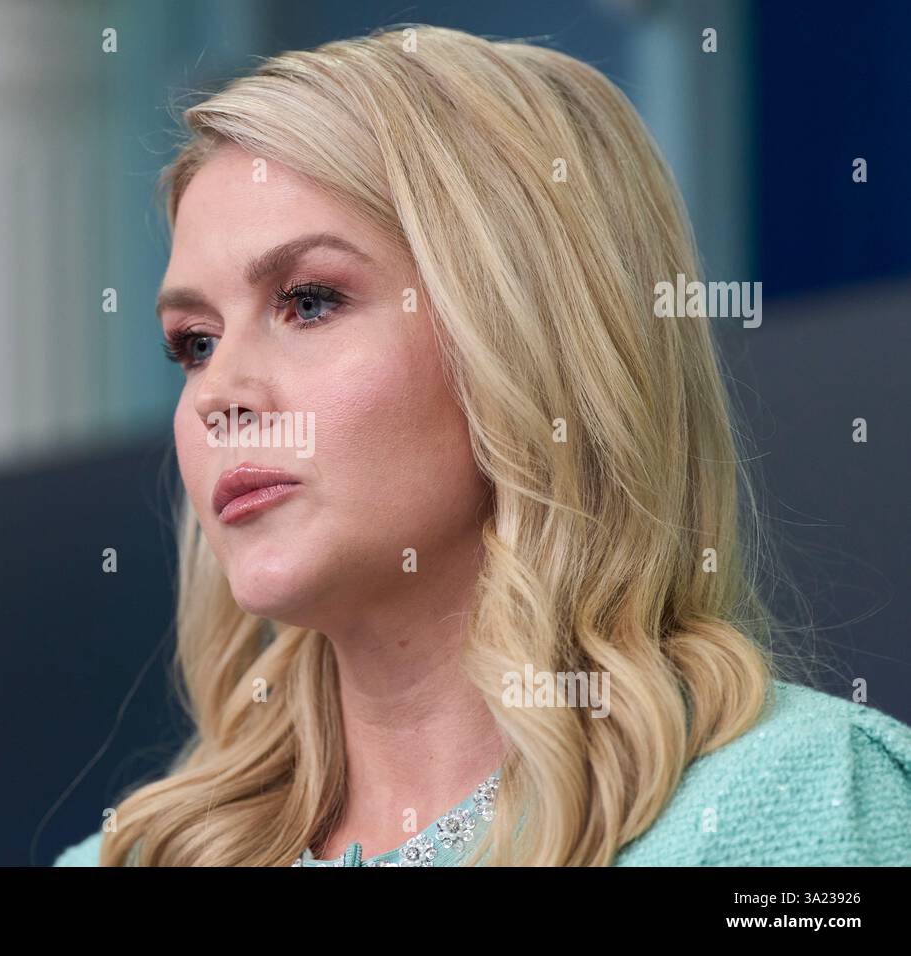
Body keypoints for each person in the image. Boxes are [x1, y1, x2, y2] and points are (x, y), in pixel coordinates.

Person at [54, 24, 911, 866]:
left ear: (529, 331)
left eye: (309, 301)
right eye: (194, 343)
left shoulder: (805, 804)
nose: (218, 396)